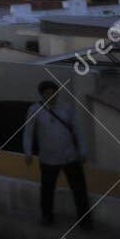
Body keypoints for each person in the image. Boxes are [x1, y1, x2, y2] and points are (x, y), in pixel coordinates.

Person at [22, 80, 92, 230]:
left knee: (79, 189)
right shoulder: (34, 110)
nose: (51, 96)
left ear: (57, 93)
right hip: (48, 158)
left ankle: (85, 221)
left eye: (53, 92)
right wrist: (27, 152)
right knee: (47, 189)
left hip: (70, 156)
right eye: (47, 93)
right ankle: (47, 217)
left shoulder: (67, 108)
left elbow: (78, 129)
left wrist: (83, 150)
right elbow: (28, 133)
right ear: (42, 95)